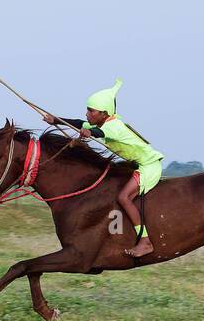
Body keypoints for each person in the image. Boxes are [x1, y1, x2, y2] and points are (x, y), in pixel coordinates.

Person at [42, 79, 164, 257]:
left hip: (149, 167)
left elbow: (100, 133)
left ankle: (145, 241)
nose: (87, 114)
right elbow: (78, 122)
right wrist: (56, 120)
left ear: (104, 113)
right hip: (138, 165)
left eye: (91, 111)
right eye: (88, 109)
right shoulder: (103, 122)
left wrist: (90, 133)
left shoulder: (114, 127)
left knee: (123, 197)